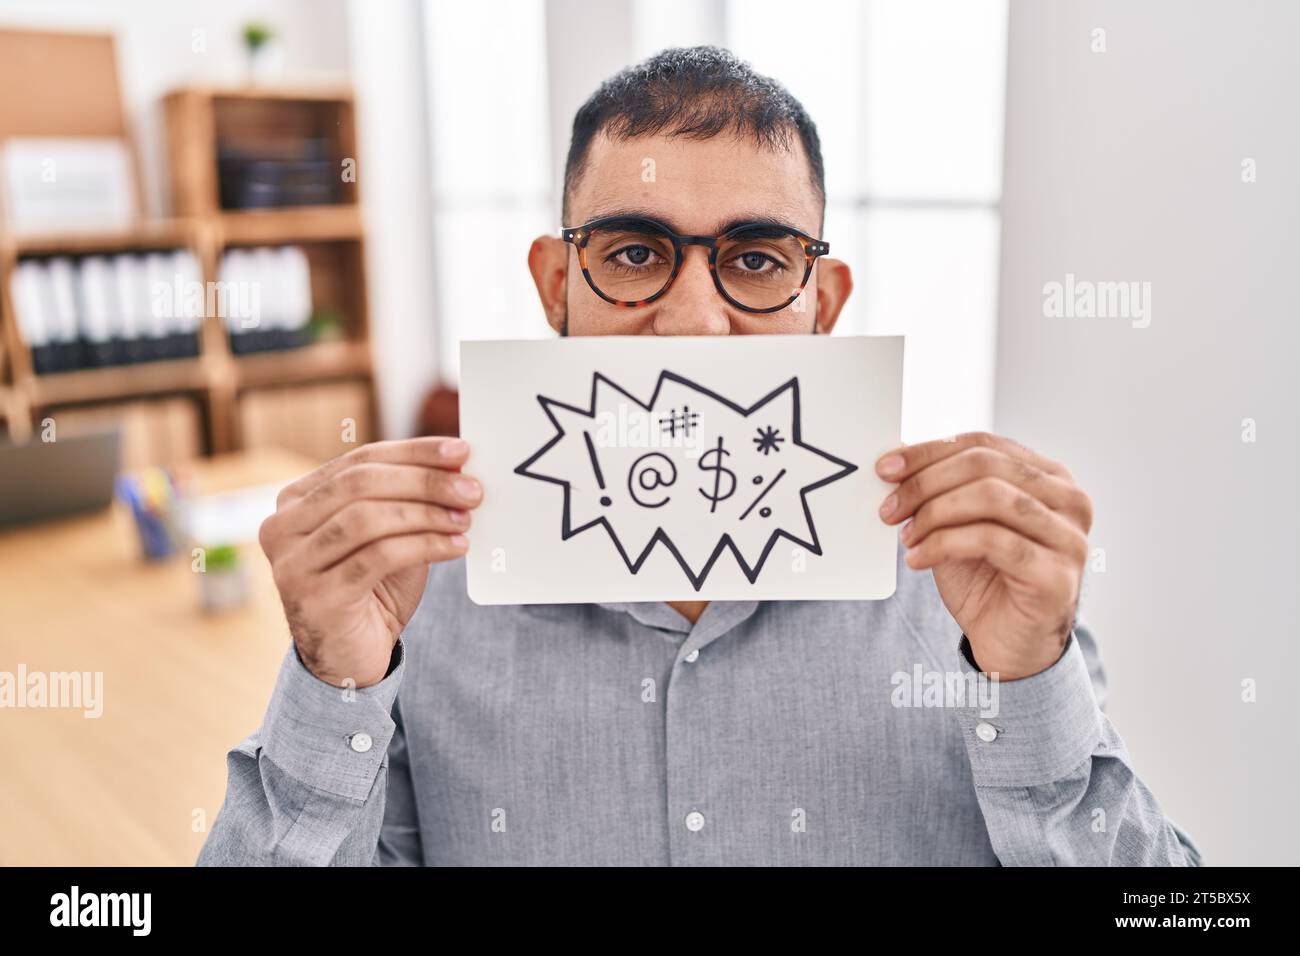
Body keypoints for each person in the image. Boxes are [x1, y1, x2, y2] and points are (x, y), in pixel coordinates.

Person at [199, 46, 1200, 866]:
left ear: (825, 303)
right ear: (556, 286)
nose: (694, 321)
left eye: (757, 261)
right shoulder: (422, 600)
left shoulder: (970, 591)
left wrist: (1031, 686)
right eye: (633, 253)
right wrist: (331, 686)